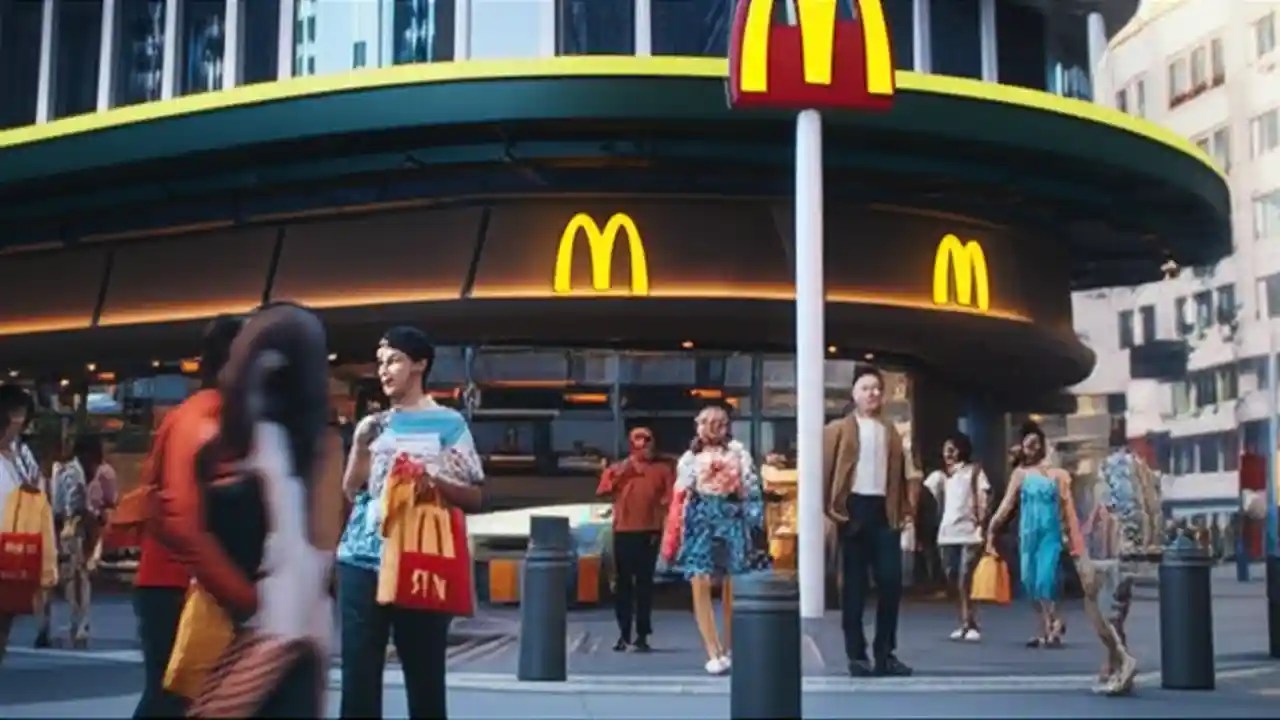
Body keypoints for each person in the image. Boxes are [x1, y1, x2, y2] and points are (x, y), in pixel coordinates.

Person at [185, 302, 338, 717]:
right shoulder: (313, 451)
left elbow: (301, 569)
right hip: (276, 644)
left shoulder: (229, 449)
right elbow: (315, 569)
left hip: (255, 641)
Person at [336, 326, 486, 719]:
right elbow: (352, 491)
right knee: (358, 678)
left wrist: (432, 479)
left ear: (420, 364)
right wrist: (359, 444)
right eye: (382, 362)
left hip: (419, 560)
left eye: (395, 360)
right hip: (361, 558)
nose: (385, 371)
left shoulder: (449, 424)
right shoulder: (375, 425)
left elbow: (475, 496)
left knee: (424, 676)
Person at [132, 314, 248, 718]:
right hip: (187, 582)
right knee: (176, 698)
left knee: (174, 696)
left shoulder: (189, 414)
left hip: (170, 578)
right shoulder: (214, 418)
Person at [822, 363, 915, 677]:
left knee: (891, 583)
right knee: (854, 588)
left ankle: (886, 653)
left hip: (884, 511)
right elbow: (823, 474)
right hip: (852, 510)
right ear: (854, 393)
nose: (872, 393)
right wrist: (832, 513)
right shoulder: (837, 430)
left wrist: (904, 512)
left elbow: (902, 477)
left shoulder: (891, 431)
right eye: (865, 388)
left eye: (877, 388)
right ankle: (856, 655)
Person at [660, 405, 763, 675]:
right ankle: (712, 649)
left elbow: (751, 490)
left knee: (732, 581)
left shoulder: (739, 453)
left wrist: (754, 521)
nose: (713, 426)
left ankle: (729, 647)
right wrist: (674, 533)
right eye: (706, 421)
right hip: (700, 518)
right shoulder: (688, 459)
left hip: (731, 516)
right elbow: (680, 497)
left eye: (719, 421)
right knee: (700, 579)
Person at [597, 426, 675, 653]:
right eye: (640, 441)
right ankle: (623, 633)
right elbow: (603, 490)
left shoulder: (663, 470)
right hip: (623, 531)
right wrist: (622, 472)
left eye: (648, 441)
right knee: (622, 584)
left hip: (649, 531)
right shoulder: (620, 468)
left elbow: (670, 500)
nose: (646, 446)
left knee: (644, 584)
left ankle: (642, 634)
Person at [38, 434, 112, 649]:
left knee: (68, 579)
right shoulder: (72, 473)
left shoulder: (71, 471)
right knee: (75, 579)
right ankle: (76, 623)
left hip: (70, 527)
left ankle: (66, 623)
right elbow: (70, 507)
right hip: (71, 528)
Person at [0, 383, 55, 666]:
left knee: (5, 627)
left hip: (16, 549)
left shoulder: (21, 454)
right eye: (17, 413)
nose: (21, 421)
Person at [923, 431, 990, 642]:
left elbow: (984, 498)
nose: (949, 454)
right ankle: (963, 621)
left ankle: (970, 622)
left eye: (953, 449)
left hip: (970, 533)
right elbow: (922, 491)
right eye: (946, 450)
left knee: (965, 578)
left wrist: (984, 524)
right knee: (952, 579)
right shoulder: (941, 477)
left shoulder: (974, 472)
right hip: (946, 534)